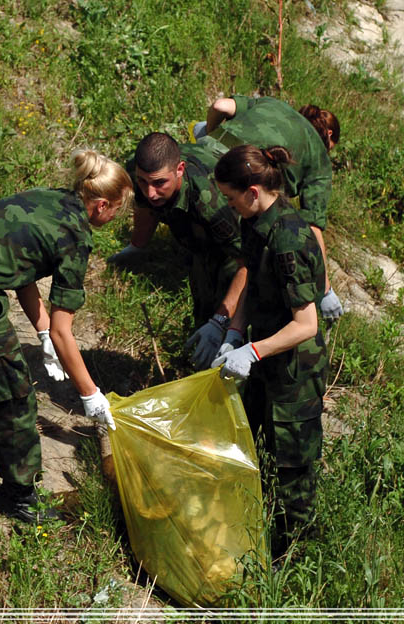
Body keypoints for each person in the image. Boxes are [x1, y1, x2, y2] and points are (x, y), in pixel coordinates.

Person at [0, 150, 133, 523]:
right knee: (14, 391)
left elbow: (22, 271)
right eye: (117, 209)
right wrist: (90, 395)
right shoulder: (75, 234)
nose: (115, 217)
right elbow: (65, 331)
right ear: (102, 205)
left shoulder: (50, 199)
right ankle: (18, 495)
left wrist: (41, 333)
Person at [212, 144, 328, 550]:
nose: (228, 206)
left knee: (293, 474)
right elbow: (251, 283)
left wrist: (252, 351)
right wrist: (233, 330)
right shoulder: (256, 223)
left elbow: (306, 325)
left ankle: (294, 560)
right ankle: (256, 540)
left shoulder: (288, 240)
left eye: (230, 197)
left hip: (294, 376)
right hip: (266, 359)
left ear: (254, 191)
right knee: (255, 452)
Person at [196, 95, 343, 323]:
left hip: (202, 154)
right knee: (240, 259)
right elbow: (312, 226)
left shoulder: (273, 103)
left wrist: (210, 134)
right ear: (329, 136)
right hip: (236, 188)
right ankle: (221, 322)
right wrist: (326, 291)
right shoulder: (320, 158)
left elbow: (220, 105)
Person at [110, 133, 247, 369]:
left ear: (179, 169)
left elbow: (247, 263)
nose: (150, 192)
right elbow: (144, 206)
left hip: (232, 239)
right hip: (194, 222)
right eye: (143, 182)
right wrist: (137, 246)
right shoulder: (140, 172)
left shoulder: (212, 203)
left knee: (221, 301)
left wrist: (221, 321)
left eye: (159, 183)